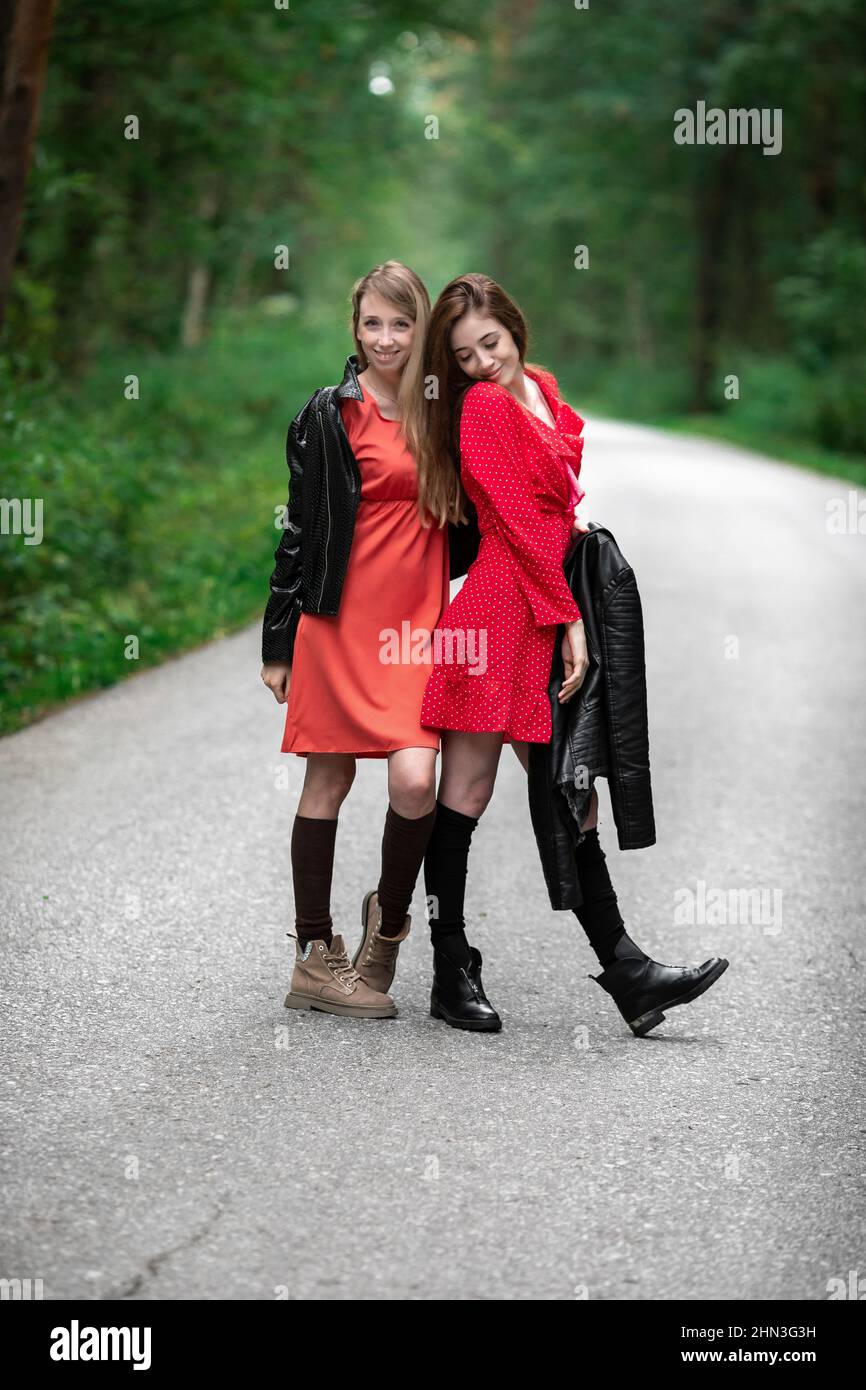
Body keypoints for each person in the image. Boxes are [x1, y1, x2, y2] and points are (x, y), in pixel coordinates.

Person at [415, 273, 728, 1033]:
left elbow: (555, 504)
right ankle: (450, 968)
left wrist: (577, 553)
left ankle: (628, 972)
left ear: (516, 330)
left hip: (543, 603)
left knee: (569, 790)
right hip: (499, 616)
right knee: (465, 793)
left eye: (491, 343)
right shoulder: (483, 407)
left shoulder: (542, 390)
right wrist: (569, 623)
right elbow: (518, 524)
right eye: (463, 355)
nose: (482, 361)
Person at [260, 261, 461, 1019]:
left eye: (401, 324)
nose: (386, 339)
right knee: (329, 783)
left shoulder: (446, 411)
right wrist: (279, 643)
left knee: (415, 782)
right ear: (355, 327)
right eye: (372, 323)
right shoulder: (327, 414)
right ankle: (315, 955)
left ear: (422, 328)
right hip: (338, 625)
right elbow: (300, 533)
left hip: (415, 634)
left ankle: (390, 923)